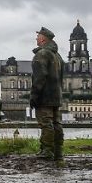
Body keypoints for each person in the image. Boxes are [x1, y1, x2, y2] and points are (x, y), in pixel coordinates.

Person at [30, 27, 65, 161]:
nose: (36, 38)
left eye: (38, 36)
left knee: (46, 124)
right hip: (56, 96)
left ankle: (47, 151)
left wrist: (34, 96)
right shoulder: (57, 56)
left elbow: (39, 77)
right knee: (56, 123)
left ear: (43, 38)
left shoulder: (42, 54)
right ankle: (58, 151)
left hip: (45, 96)